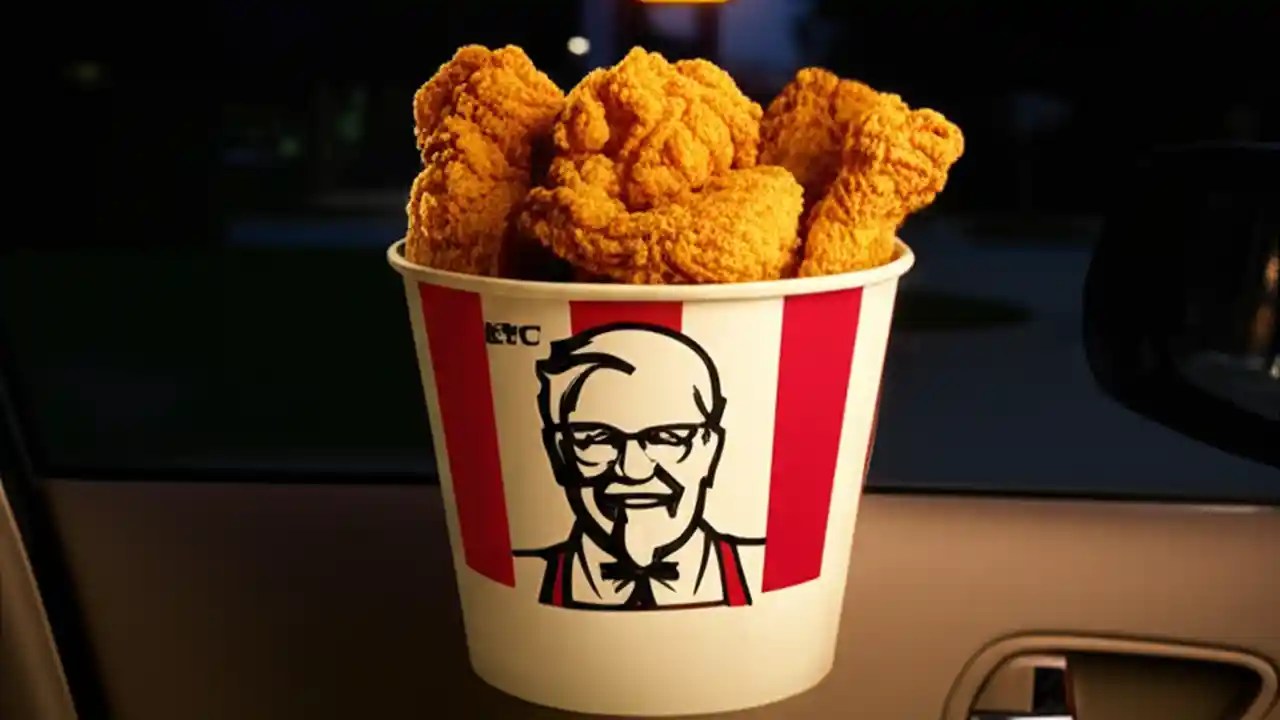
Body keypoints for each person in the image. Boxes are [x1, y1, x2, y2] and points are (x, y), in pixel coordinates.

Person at [515, 324, 763, 611]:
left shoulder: (766, 567)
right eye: (597, 437)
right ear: (559, 452)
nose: (633, 471)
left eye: (668, 437)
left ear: (710, 448)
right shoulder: (518, 576)